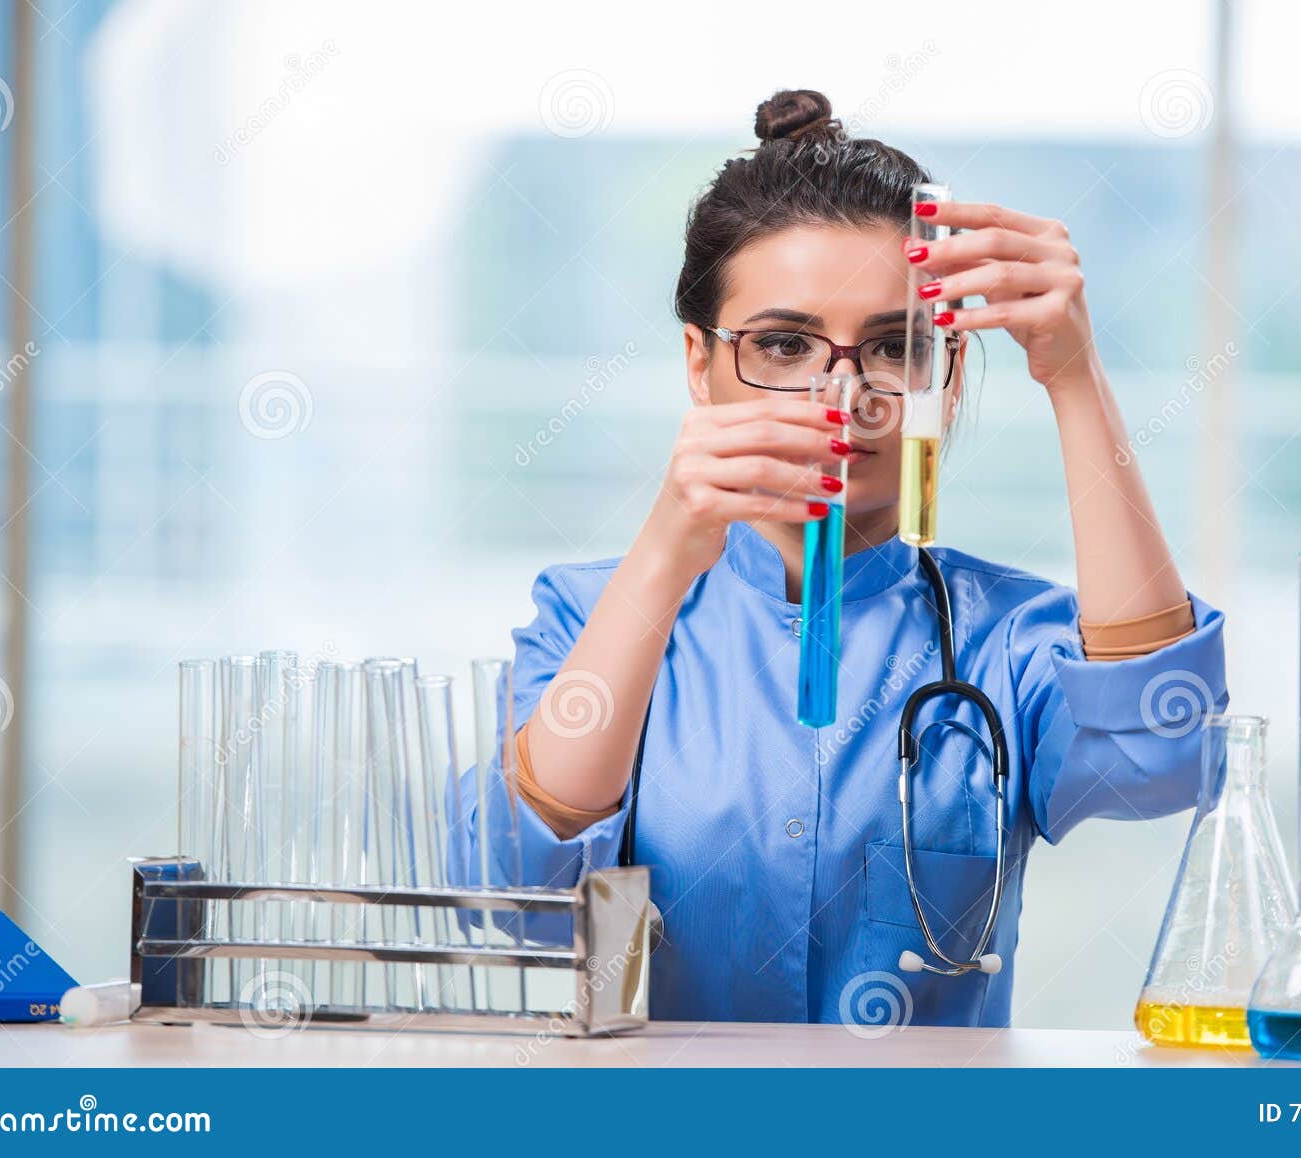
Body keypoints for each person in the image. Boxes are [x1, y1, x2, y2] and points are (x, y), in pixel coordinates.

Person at [465, 89, 1227, 1026]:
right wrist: (667, 548)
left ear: (945, 375)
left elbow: (1166, 750)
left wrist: (1072, 373)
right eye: (783, 344)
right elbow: (510, 892)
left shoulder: (1004, 639)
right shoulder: (596, 617)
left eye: (894, 346)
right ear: (699, 363)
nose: (843, 390)